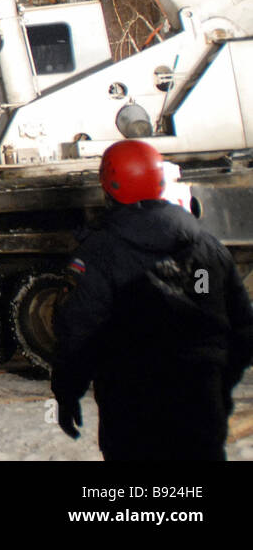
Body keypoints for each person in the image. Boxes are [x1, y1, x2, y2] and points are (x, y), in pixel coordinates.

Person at [52, 139, 253, 460]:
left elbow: (77, 330)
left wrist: (66, 393)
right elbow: (242, 327)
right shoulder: (206, 244)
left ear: (108, 186)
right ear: (160, 181)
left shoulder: (99, 252)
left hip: (131, 408)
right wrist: (216, 385)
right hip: (200, 403)